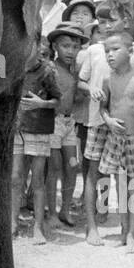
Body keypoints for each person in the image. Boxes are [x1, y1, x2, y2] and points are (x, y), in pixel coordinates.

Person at [97, 32, 134, 252]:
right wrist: (108, 120)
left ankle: (132, 232)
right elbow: (103, 107)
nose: (109, 55)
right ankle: (124, 230)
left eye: (114, 50)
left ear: (130, 52)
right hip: (116, 138)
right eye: (106, 51)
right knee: (120, 186)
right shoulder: (107, 79)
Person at [12, 43, 62, 246]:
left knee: (38, 179)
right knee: (15, 177)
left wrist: (42, 104)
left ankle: (38, 226)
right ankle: (12, 223)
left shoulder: (47, 70)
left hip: (39, 129)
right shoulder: (13, 66)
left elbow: (58, 100)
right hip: (17, 128)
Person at [46, 23, 84, 229]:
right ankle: (51, 213)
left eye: (75, 47)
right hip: (53, 122)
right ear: (54, 46)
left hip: (70, 123)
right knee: (53, 167)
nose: (71, 51)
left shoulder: (75, 69)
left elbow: (76, 90)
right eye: (66, 46)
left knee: (71, 166)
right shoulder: (49, 67)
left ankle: (65, 209)